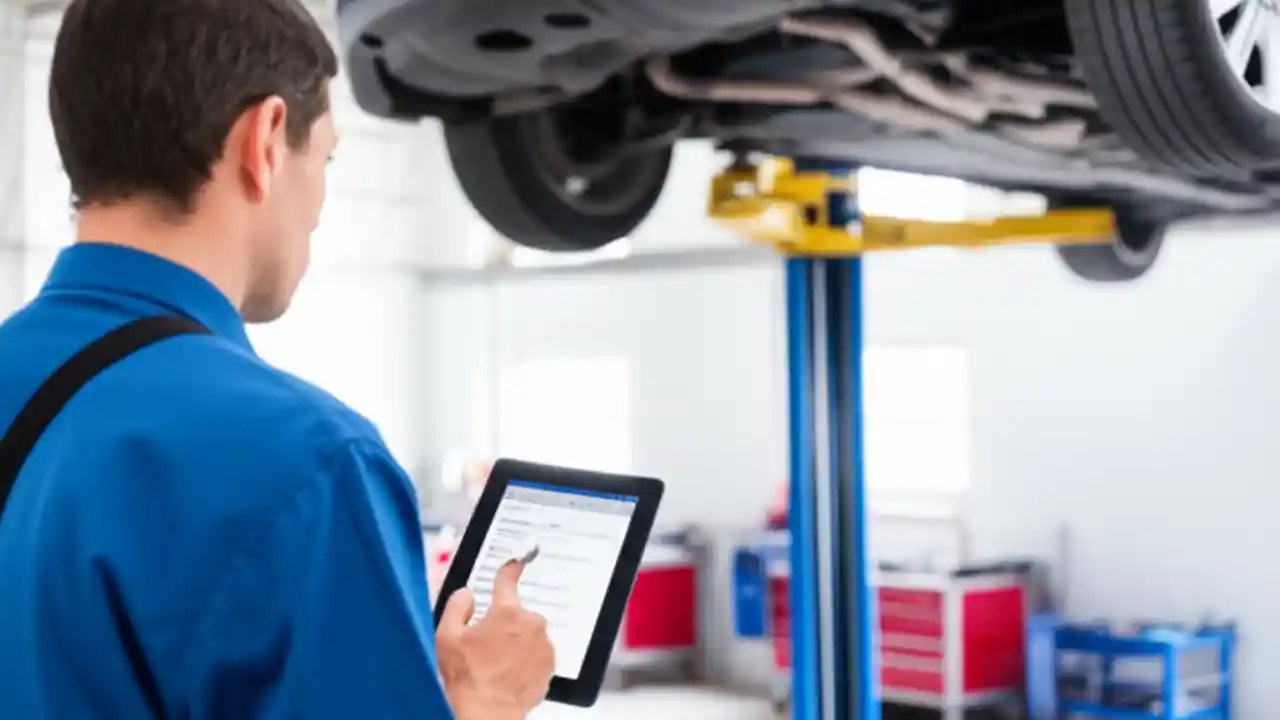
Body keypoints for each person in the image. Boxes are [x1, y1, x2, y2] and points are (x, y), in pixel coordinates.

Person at [0, 1, 554, 718]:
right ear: (263, 142)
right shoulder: (306, 463)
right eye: (323, 157)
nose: (318, 200)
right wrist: (484, 702)